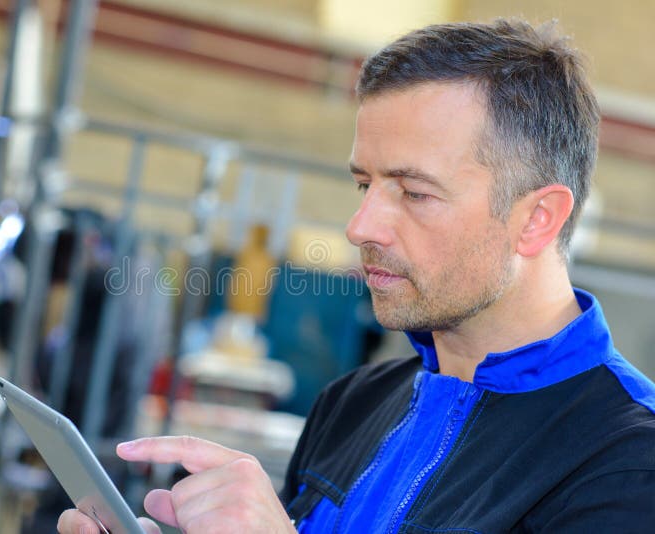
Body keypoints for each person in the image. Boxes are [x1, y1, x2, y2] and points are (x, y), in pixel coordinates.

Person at [58, 18, 655, 533]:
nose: (361, 225)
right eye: (364, 185)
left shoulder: (626, 462)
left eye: (415, 193)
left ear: (537, 219)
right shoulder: (352, 403)